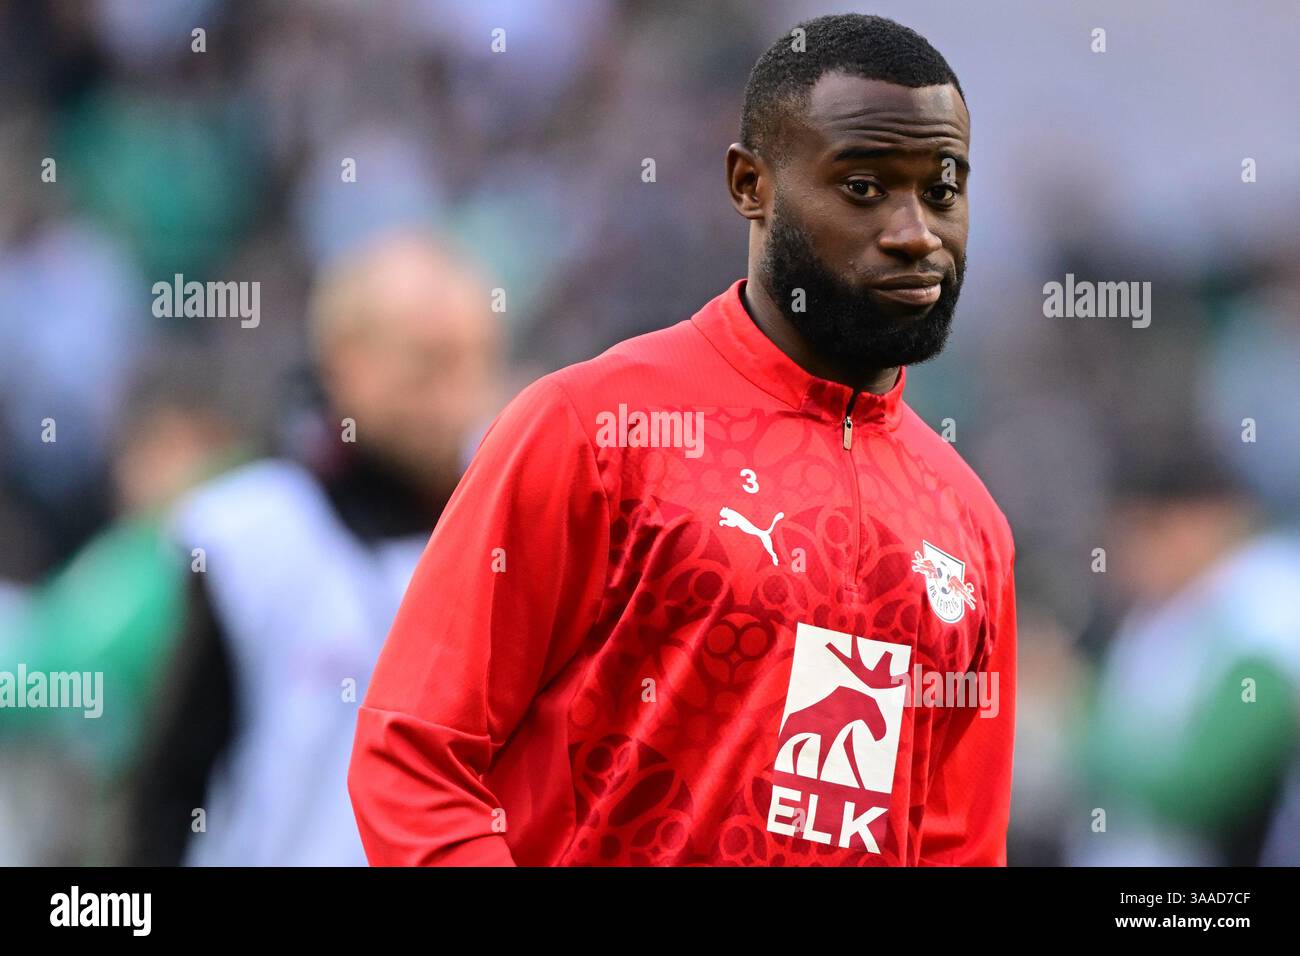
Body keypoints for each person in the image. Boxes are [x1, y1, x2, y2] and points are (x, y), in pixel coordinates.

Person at [349, 14, 1016, 866]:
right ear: (751, 184)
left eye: (942, 191)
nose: (914, 231)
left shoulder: (971, 528)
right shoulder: (594, 429)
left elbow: (957, 848)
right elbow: (414, 756)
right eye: (863, 187)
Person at [125, 232, 501, 866]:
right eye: (425, 365)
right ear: (343, 359)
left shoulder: (519, 529)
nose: (453, 396)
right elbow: (168, 788)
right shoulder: (246, 537)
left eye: (472, 363)